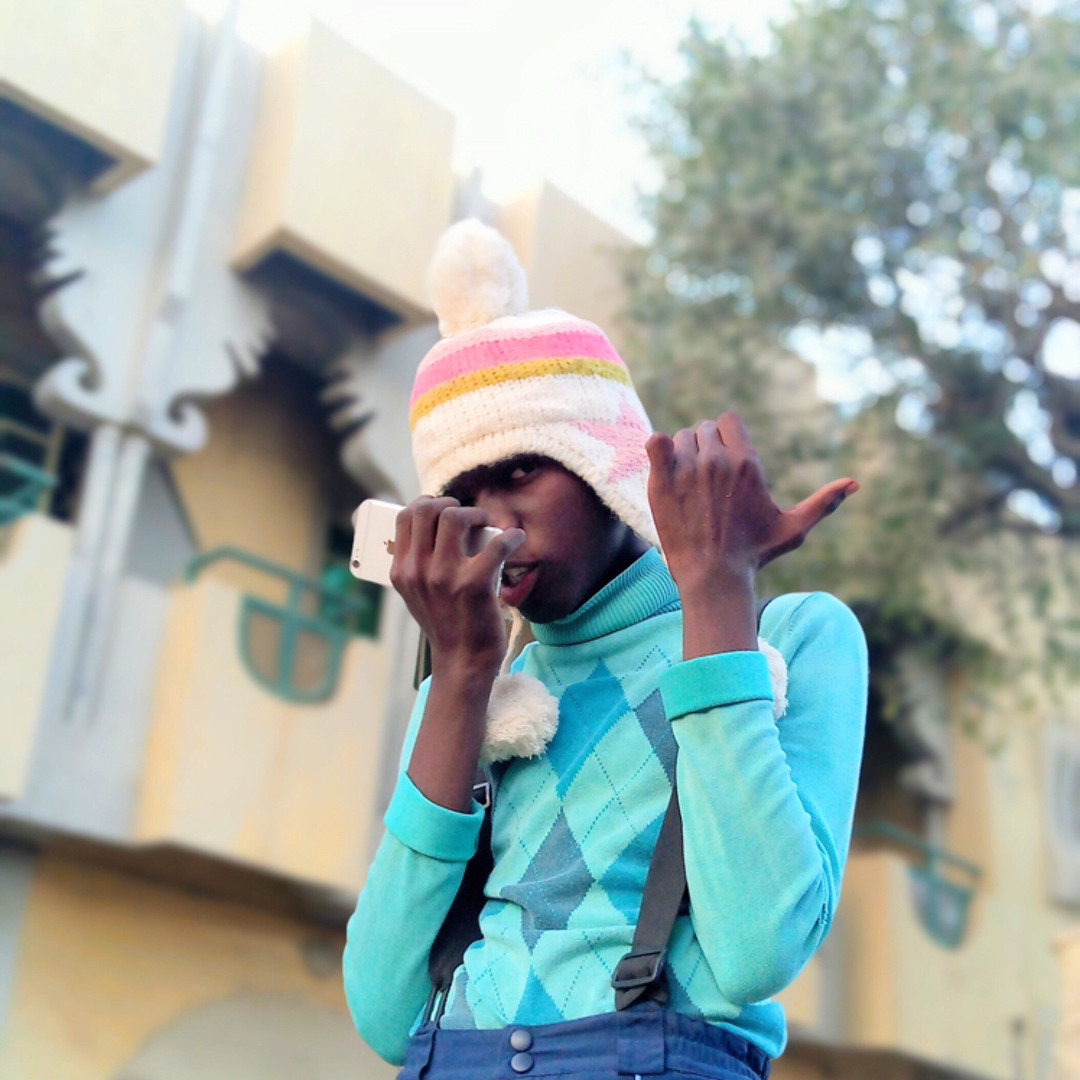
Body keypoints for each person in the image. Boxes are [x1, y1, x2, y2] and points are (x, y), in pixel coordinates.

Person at [343, 219, 868, 1080]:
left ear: (603, 462)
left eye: (520, 471)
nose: (495, 523)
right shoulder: (486, 689)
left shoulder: (790, 636)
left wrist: (716, 593)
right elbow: (385, 1013)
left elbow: (758, 950)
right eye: (463, 495)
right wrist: (461, 678)